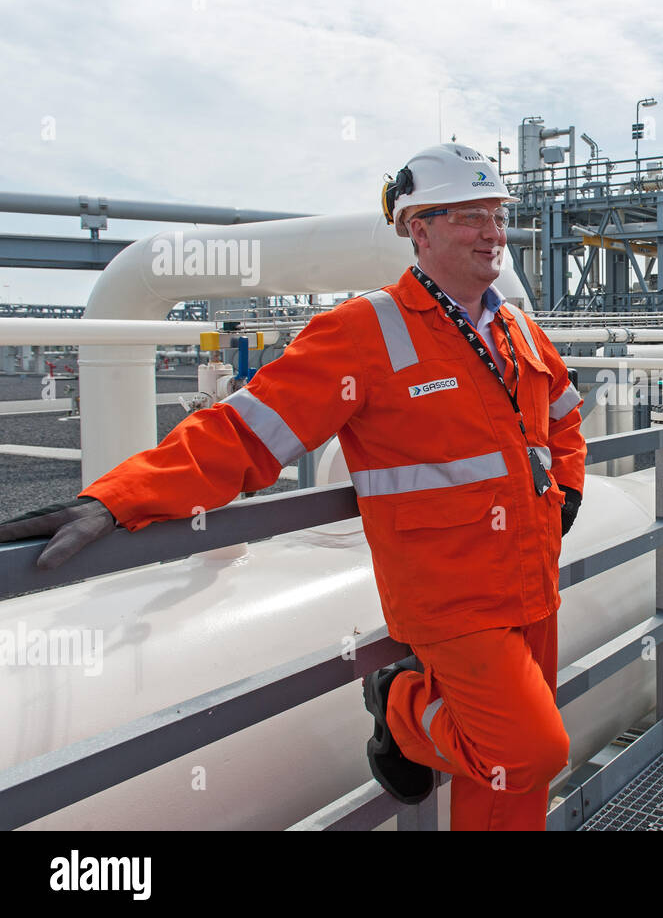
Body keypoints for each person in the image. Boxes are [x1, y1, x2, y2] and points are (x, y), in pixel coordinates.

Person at [0, 143, 586, 831]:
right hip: (452, 600)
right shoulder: (366, 331)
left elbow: (566, 414)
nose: (492, 233)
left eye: (496, 215)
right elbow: (246, 432)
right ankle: (400, 703)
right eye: (468, 217)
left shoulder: (516, 328)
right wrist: (119, 495)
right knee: (528, 751)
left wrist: (567, 488)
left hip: (532, 577)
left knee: (508, 791)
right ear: (417, 229)